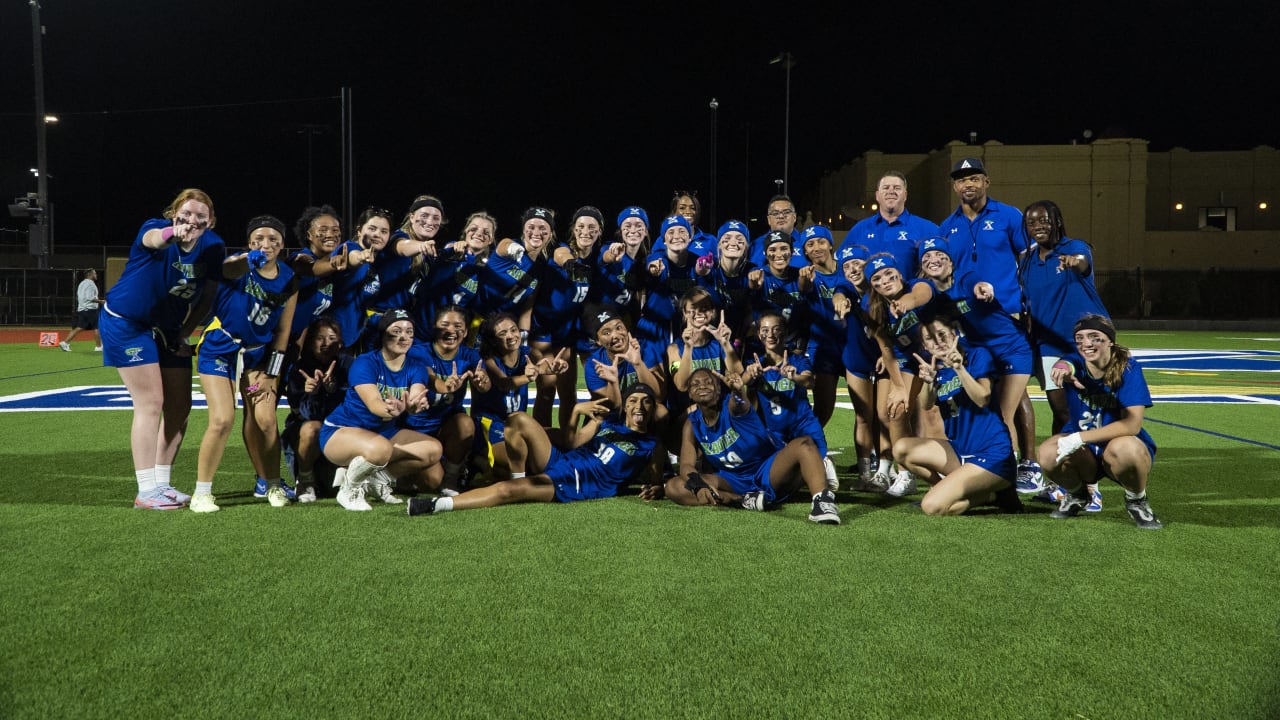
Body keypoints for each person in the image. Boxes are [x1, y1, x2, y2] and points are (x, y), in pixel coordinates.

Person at [99, 188, 226, 509]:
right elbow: (155, 238)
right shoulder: (154, 228)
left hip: (168, 328)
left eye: (201, 215)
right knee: (151, 402)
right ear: (174, 214)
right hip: (128, 323)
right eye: (186, 213)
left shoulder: (213, 247)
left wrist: (184, 332)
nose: (192, 220)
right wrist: (173, 232)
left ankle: (162, 483)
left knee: (180, 406)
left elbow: (208, 296)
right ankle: (146, 490)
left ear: (210, 221)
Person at [406, 384, 664, 516]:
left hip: (576, 483)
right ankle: (518, 478)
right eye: (633, 401)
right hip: (562, 460)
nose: (639, 406)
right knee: (518, 419)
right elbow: (573, 442)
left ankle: (434, 505)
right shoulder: (607, 423)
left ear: (653, 409)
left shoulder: (652, 443)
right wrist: (575, 412)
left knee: (507, 491)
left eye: (646, 402)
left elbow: (653, 479)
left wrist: (657, 487)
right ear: (626, 407)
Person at [937, 158, 1040, 486]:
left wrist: (1026, 307)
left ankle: (1029, 464)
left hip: (1006, 320)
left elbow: (1030, 262)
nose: (968, 185)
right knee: (986, 400)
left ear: (987, 182)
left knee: (1014, 396)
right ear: (954, 187)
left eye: (974, 178)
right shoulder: (947, 226)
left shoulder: (1008, 215)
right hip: (969, 327)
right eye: (961, 180)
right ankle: (994, 467)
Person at [190, 215, 298, 512]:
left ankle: (272, 484)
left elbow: (283, 332)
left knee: (265, 419)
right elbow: (227, 268)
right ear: (250, 243)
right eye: (259, 239)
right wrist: (248, 260)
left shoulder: (288, 279)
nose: (267, 244)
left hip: (255, 360)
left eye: (273, 239)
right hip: (218, 352)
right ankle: (202, 492)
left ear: (282, 245)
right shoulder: (238, 266)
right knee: (223, 419)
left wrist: (272, 373)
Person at [916, 236, 1040, 492]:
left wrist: (983, 287)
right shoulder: (933, 297)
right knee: (987, 411)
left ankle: (1015, 473)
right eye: (927, 258)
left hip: (1010, 349)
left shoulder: (965, 278)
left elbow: (977, 284)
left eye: (940, 255)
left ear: (950, 262)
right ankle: (989, 469)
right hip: (980, 353)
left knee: (1003, 412)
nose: (933, 260)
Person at [655, 367, 841, 525]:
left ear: (719, 388)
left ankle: (822, 501)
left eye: (708, 382)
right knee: (673, 486)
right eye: (695, 384)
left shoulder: (732, 406)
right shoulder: (692, 423)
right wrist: (698, 486)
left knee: (804, 443)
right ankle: (741, 501)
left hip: (767, 469)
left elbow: (740, 404)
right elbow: (687, 465)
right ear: (689, 393)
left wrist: (737, 391)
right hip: (732, 481)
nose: (702, 386)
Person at [1038, 315, 1162, 529]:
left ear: (1110, 341)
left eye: (1095, 337)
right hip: (1085, 453)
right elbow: (1067, 363)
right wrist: (1062, 366)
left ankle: (1136, 499)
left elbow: (1132, 425)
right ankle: (1078, 495)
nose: (1087, 343)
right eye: (1080, 338)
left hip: (1118, 452)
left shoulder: (1128, 368)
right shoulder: (1075, 361)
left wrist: (1079, 437)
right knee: (1047, 454)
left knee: (1126, 448)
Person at [892, 314, 1021, 515]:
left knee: (932, 507)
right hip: (960, 450)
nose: (938, 342)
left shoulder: (977, 355)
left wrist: (959, 368)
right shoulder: (937, 370)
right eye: (930, 339)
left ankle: (994, 493)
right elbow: (926, 405)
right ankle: (972, 492)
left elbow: (982, 398)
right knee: (901, 449)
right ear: (925, 347)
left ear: (954, 334)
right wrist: (928, 382)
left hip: (992, 454)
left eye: (942, 334)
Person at [321, 309, 442, 511]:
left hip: (382, 433)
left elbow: (415, 396)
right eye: (396, 330)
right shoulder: (365, 362)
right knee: (381, 449)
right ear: (383, 333)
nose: (404, 336)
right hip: (341, 431)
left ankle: (376, 480)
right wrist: (391, 411)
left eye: (409, 331)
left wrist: (412, 408)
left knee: (433, 450)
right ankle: (349, 489)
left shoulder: (416, 367)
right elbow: (374, 403)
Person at [402, 305, 493, 495]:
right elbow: (428, 376)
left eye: (458, 326)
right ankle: (403, 473)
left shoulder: (470, 355)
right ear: (434, 327)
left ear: (466, 331)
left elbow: (484, 382)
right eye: (445, 324)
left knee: (465, 423)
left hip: (446, 427)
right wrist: (444, 386)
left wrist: (482, 381)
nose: (451, 330)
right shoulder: (417, 352)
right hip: (414, 428)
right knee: (431, 481)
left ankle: (452, 479)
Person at [471, 312, 567, 481]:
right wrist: (528, 377)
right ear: (493, 340)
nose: (510, 336)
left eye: (513, 330)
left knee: (565, 439)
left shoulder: (528, 352)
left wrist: (554, 367)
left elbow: (542, 365)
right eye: (502, 333)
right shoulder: (488, 360)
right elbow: (503, 383)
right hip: (491, 425)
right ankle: (477, 460)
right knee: (520, 461)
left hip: (516, 425)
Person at [531, 205, 603, 429]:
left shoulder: (596, 260)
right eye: (580, 226)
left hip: (568, 333)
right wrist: (570, 263)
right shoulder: (562, 249)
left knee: (569, 395)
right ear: (573, 229)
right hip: (543, 330)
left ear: (600, 231)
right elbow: (560, 255)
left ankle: (567, 443)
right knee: (546, 390)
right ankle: (541, 447)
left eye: (592, 227)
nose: (586, 231)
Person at [283, 316, 351, 502]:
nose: (325, 343)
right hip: (307, 439)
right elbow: (303, 415)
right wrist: (312, 392)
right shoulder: (299, 369)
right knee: (313, 427)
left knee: (331, 490)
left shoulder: (347, 364)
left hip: (338, 434)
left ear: (340, 342)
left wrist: (334, 389)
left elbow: (353, 408)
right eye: (319, 338)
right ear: (310, 341)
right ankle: (304, 479)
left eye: (331, 337)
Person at [842, 171, 939, 280]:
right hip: (869, 296)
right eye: (886, 188)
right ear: (877, 195)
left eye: (897, 188)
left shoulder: (926, 228)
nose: (891, 191)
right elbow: (841, 266)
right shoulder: (859, 229)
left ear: (905, 195)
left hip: (911, 295)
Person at [61, 268, 105, 351]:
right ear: (90, 274)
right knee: (98, 327)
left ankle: (65, 343)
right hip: (90, 309)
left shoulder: (82, 283)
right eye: (94, 273)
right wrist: (101, 301)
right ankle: (99, 347)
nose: (96, 275)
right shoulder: (91, 284)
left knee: (79, 327)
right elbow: (89, 297)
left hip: (82, 309)